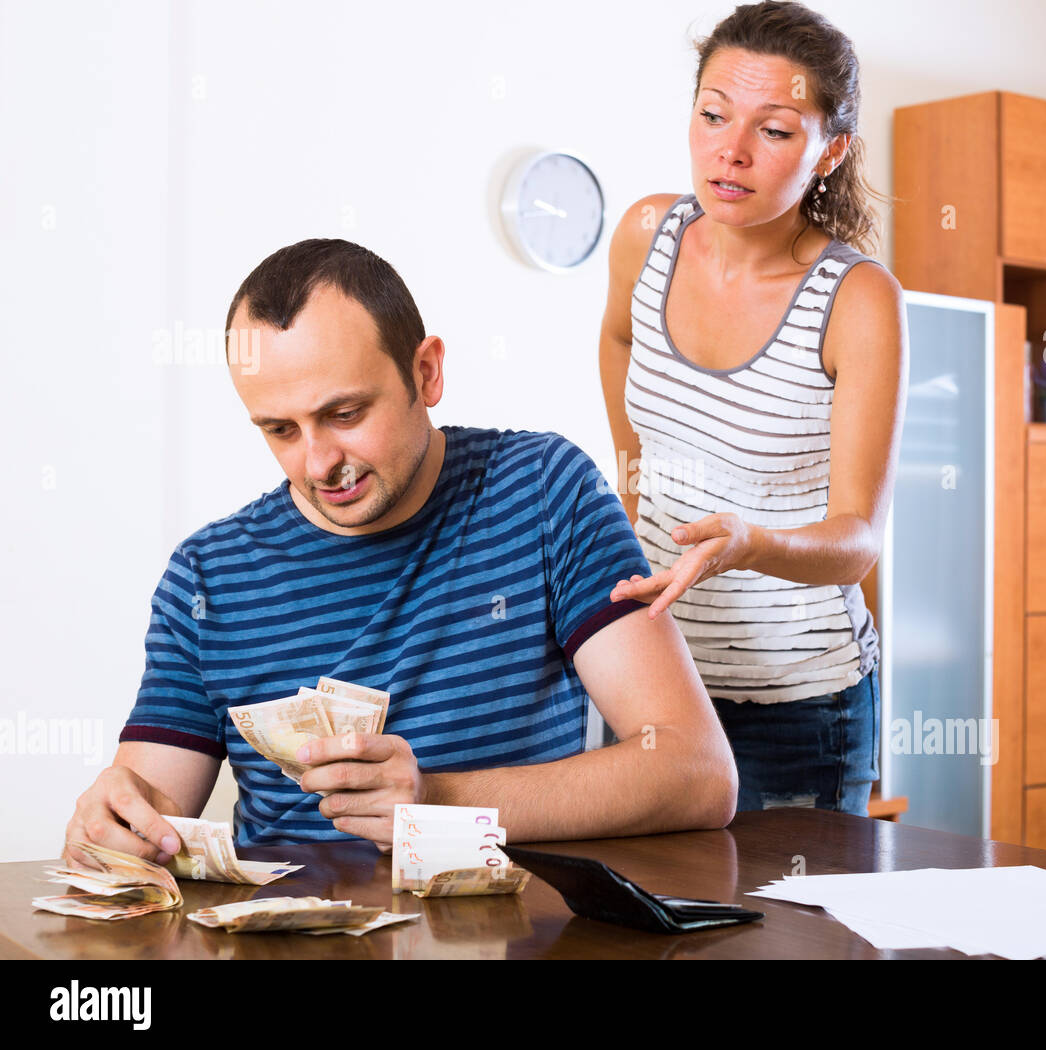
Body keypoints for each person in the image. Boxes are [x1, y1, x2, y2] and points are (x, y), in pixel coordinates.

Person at [65, 238, 737, 865]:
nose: (319, 462)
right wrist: (114, 826)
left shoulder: (544, 491)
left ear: (426, 372)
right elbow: (148, 809)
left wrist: (434, 804)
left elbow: (695, 772)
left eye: (345, 415)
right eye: (280, 429)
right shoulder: (206, 576)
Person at [597, 1, 907, 815]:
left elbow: (857, 540)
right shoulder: (645, 234)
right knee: (638, 931)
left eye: (773, 131)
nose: (729, 152)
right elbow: (620, 341)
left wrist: (750, 541)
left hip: (797, 704)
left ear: (830, 149)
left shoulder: (857, 300)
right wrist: (634, 494)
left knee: (791, 937)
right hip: (650, 678)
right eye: (712, 116)